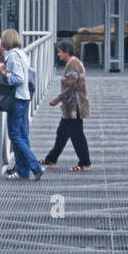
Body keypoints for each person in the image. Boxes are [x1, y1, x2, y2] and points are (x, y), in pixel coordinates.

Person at [0, 28, 43, 180]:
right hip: (24, 97)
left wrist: (4, 74)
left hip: (16, 98)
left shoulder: (13, 56)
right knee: (22, 135)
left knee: (15, 135)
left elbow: (19, 78)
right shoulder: (21, 54)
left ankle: (35, 166)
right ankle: (23, 171)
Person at [41, 39, 91, 171]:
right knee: (62, 133)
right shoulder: (73, 63)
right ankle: (51, 159)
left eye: (60, 52)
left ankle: (85, 163)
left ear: (67, 51)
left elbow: (71, 86)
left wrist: (57, 100)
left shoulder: (73, 64)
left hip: (75, 107)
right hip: (70, 106)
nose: (58, 55)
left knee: (77, 135)